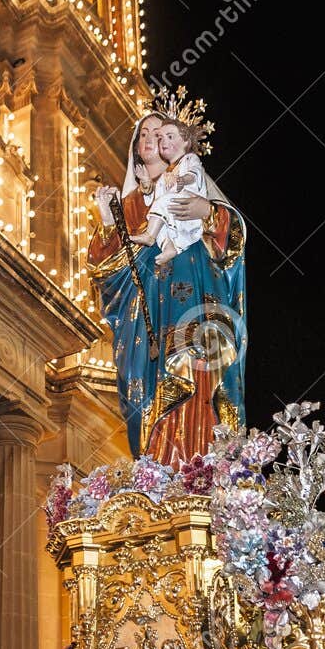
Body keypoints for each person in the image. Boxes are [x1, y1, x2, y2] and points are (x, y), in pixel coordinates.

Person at [88, 100, 248, 465]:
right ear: (135, 148)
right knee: (147, 395)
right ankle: (160, 469)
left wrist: (208, 212)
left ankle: (202, 465)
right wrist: (107, 222)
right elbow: (105, 270)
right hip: (145, 321)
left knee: (198, 367)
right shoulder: (126, 205)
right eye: (142, 134)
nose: (150, 139)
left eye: (158, 133)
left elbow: (234, 241)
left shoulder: (192, 181)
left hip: (197, 303)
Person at [132, 120, 208, 268]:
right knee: (159, 222)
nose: (163, 141)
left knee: (163, 204)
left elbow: (194, 174)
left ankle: (149, 236)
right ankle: (169, 246)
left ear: (186, 141)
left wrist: (182, 180)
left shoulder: (189, 159)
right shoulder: (166, 174)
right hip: (173, 215)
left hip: (188, 208)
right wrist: (147, 182)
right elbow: (153, 202)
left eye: (170, 137)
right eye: (161, 138)